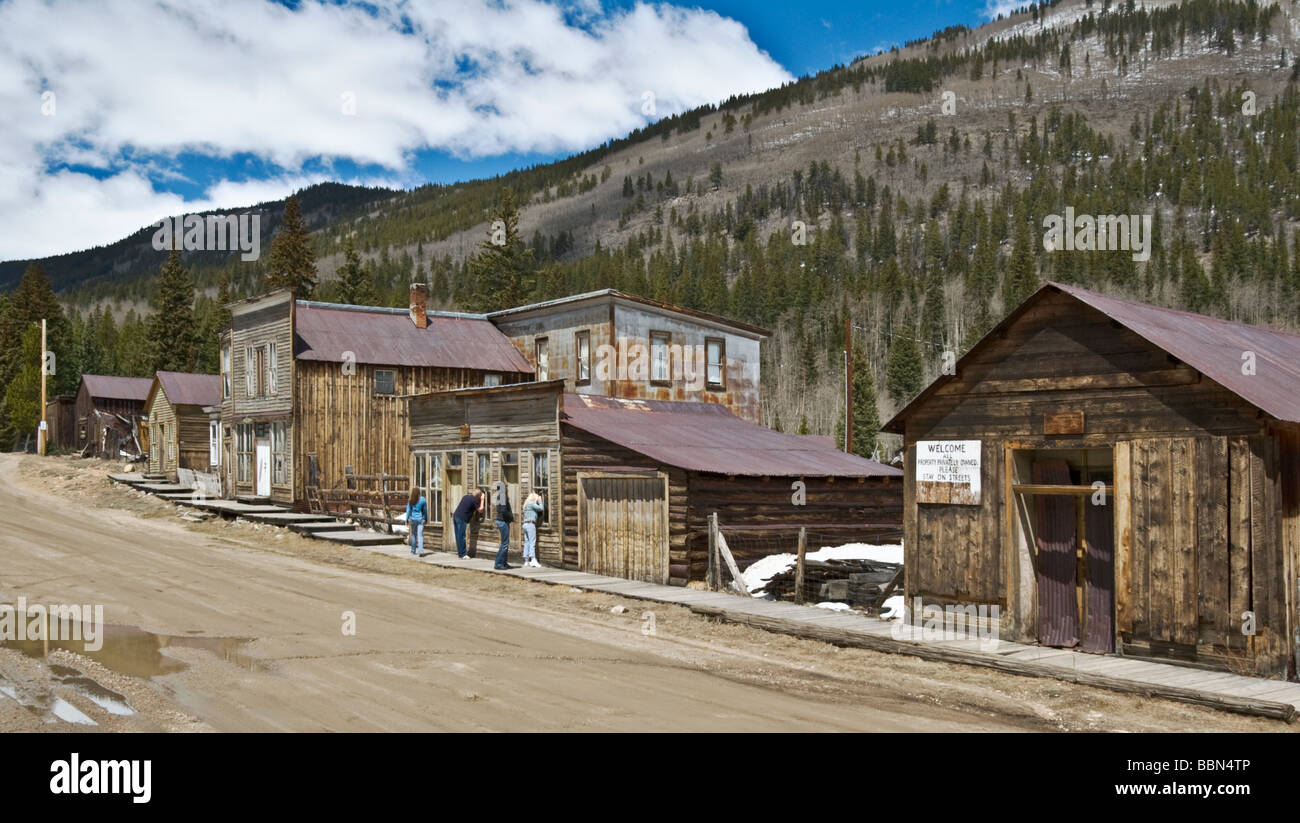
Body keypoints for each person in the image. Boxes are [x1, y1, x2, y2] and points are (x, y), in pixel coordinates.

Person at [451, 490, 484, 558]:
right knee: (462, 536)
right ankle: (463, 554)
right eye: (480, 496)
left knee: (458, 536)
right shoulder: (474, 500)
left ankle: (460, 553)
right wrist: (482, 500)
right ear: (478, 496)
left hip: (456, 516)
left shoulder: (466, 496)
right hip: (462, 518)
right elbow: (480, 510)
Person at [492, 480, 513, 570]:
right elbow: (503, 510)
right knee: (505, 544)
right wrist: (511, 517)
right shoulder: (503, 496)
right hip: (503, 521)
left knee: (505, 543)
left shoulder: (499, 496)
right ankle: (498, 563)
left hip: (501, 521)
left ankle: (503, 563)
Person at [521, 492, 544, 568]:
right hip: (530, 524)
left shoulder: (526, 505)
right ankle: (533, 559)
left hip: (525, 524)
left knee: (527, 542)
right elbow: (541, 508)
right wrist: (540, 500)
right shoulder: (531, 504)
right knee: (532, 542)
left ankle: (526, 560)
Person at [406, 486, 428, 556]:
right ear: (419, 492)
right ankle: (420, 551)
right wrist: (426, 518)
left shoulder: (410, 500)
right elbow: (425, 511)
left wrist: (406, 520)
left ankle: (413, 550)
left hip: (413, 520)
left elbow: (408, 511)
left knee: (413, 535)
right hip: (420, 519)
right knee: (420, 536)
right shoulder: (423, 500)